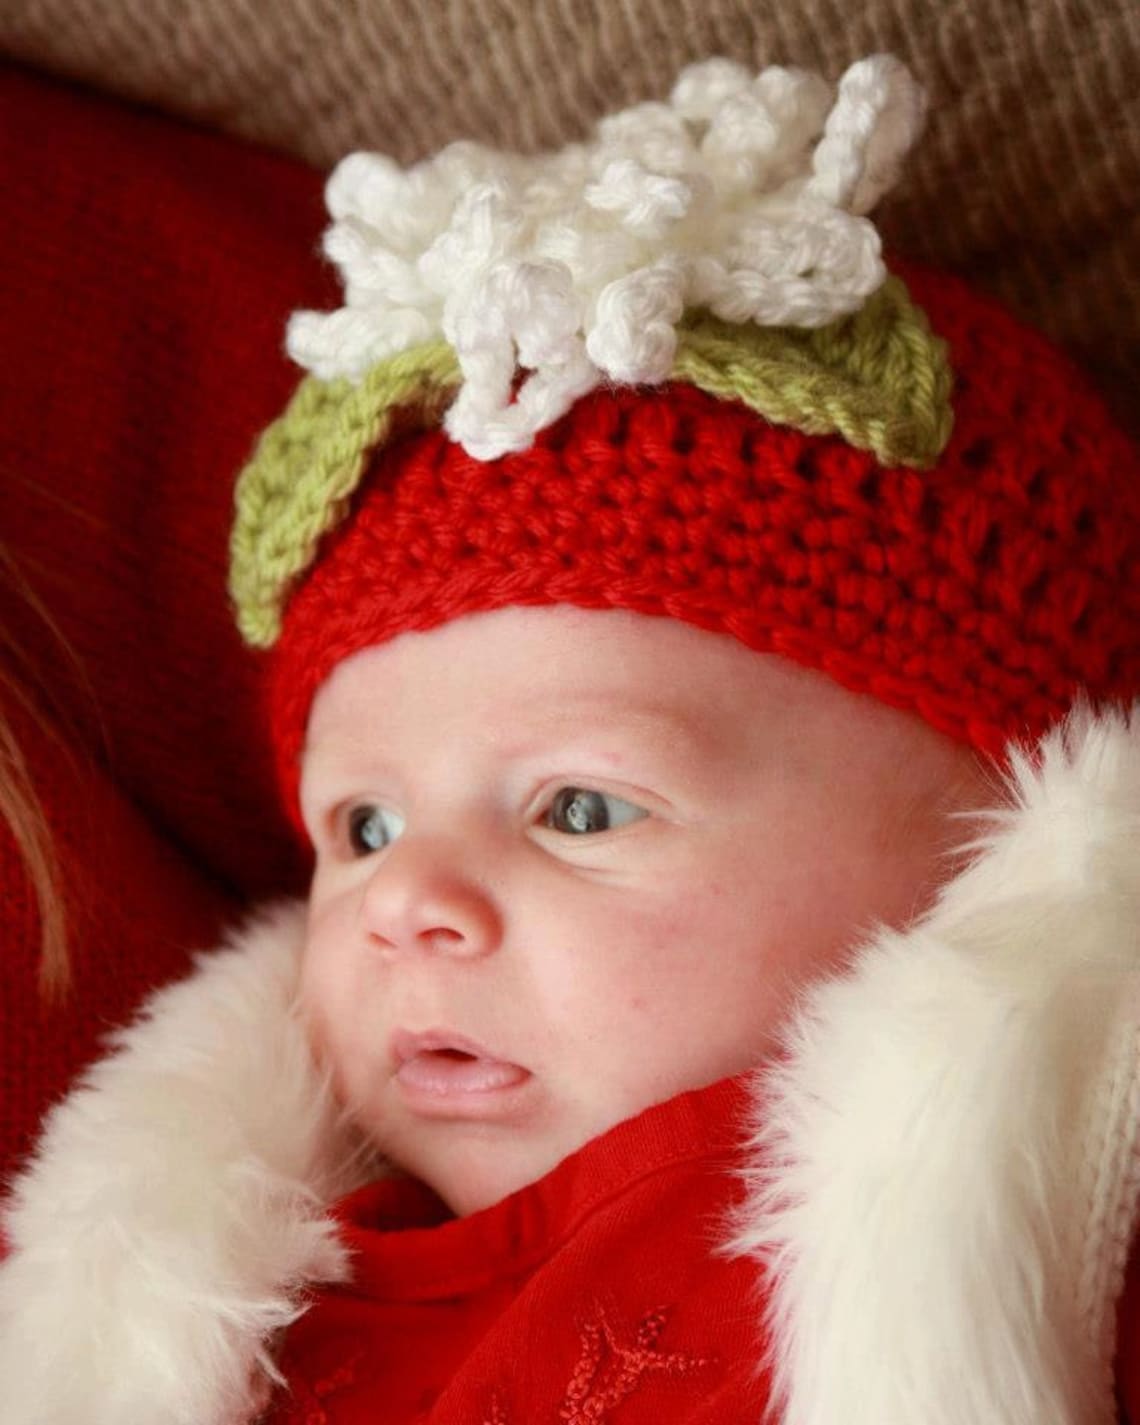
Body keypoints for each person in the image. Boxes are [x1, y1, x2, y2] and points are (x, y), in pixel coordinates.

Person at [2, 54, 1139, 1425]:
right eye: (362, 826)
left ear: (1003, 850)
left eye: (580, 809)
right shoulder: (253, 1311)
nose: (405, 902)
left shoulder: (1062, 1238)